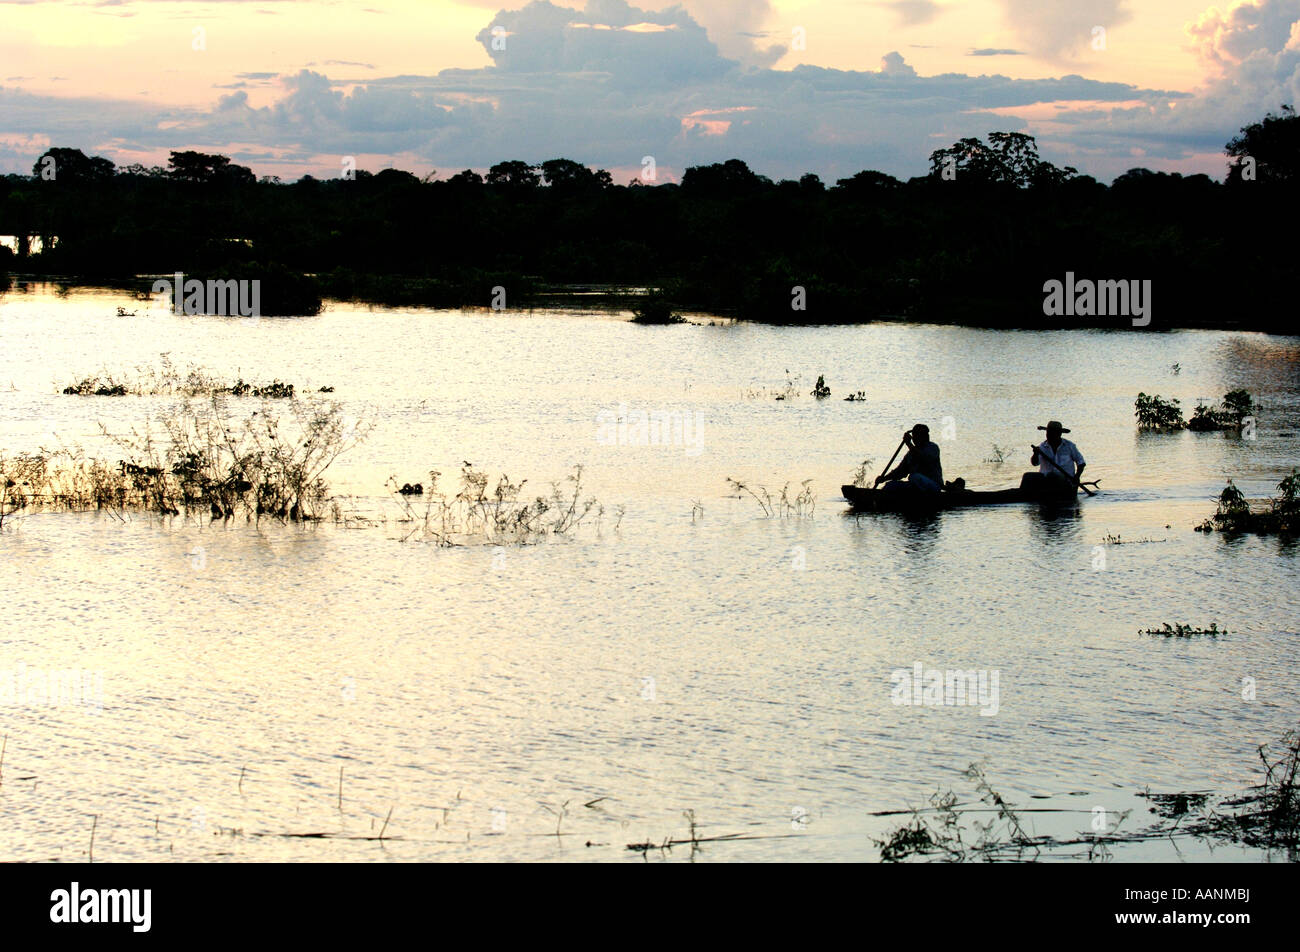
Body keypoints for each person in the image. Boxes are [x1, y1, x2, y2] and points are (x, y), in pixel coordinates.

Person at [875, 424, 943, 493]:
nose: (926, 437)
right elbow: (900, 471)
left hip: (933, 486)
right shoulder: (910, 454)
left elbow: (922, 458)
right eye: (916, 435)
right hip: (915, 486)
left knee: (914, 477)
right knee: (890, 485)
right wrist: (884, 478)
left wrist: (908, 444)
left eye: (924, 435)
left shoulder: (932, 447)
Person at [1030, 421, 1086, 493]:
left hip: (1065, 482)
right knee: (1028, 476)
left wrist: (1076, 477)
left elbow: (1081, 463)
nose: (1049, 435)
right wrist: (1035, 454)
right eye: (1048, 433)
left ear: (1059, 434)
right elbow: (1035, 463)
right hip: (1045, 482)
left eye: (1052, 433)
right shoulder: (1042, 447)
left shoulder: (1069, 446)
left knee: (1053, 476)